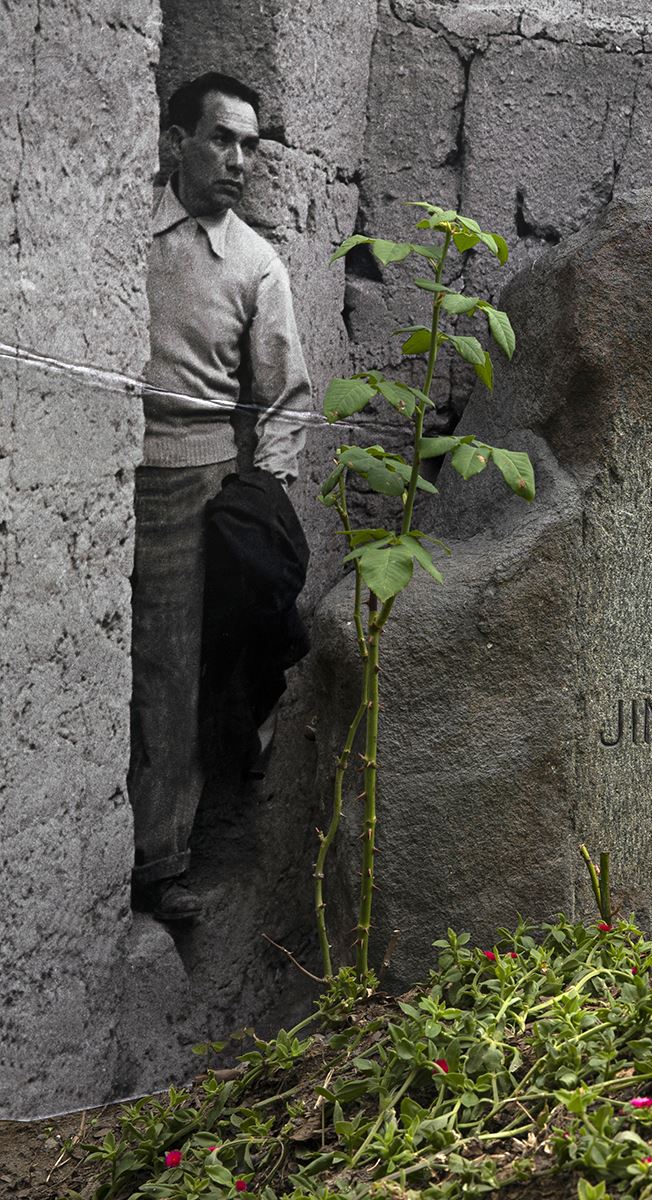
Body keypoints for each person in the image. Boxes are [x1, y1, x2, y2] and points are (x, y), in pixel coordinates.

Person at [131, 72, 312, 923]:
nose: (239, 160)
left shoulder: (255, 262)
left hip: (194, 481)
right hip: (93, 478)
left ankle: (161, 863)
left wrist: (262, 498)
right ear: (176, 142)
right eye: (222, 140)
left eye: (251, 146)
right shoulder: (124, 227)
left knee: (176, 667)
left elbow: (286, 394)